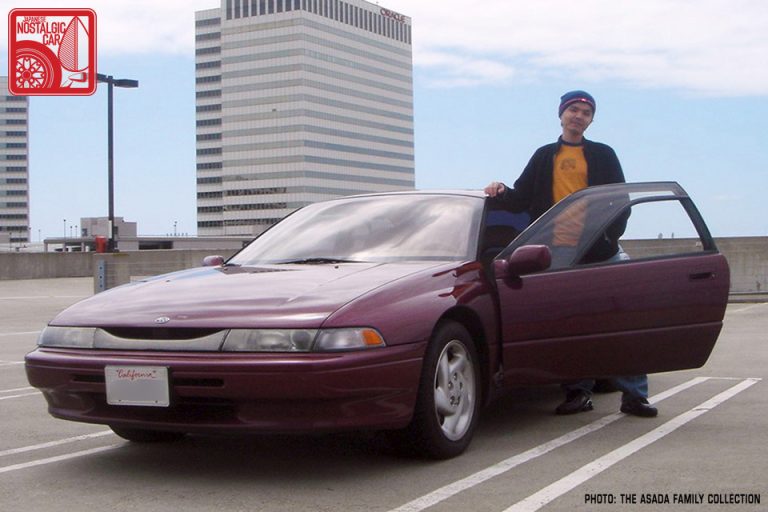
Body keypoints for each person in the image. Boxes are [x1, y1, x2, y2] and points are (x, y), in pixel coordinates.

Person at [484, 90, 657, 418]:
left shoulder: (603, 154)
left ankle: (635, 396)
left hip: (602, 252)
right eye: (573, 110)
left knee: (624, 322)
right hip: (557, 255)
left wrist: (608, 236)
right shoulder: (544, 155)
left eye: (585, 112)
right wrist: (499, 190)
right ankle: (578, 393)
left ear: (591, 120)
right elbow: (521, 198)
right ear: (561, 114)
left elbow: (620, 200)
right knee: (569, 327)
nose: (578, 116)